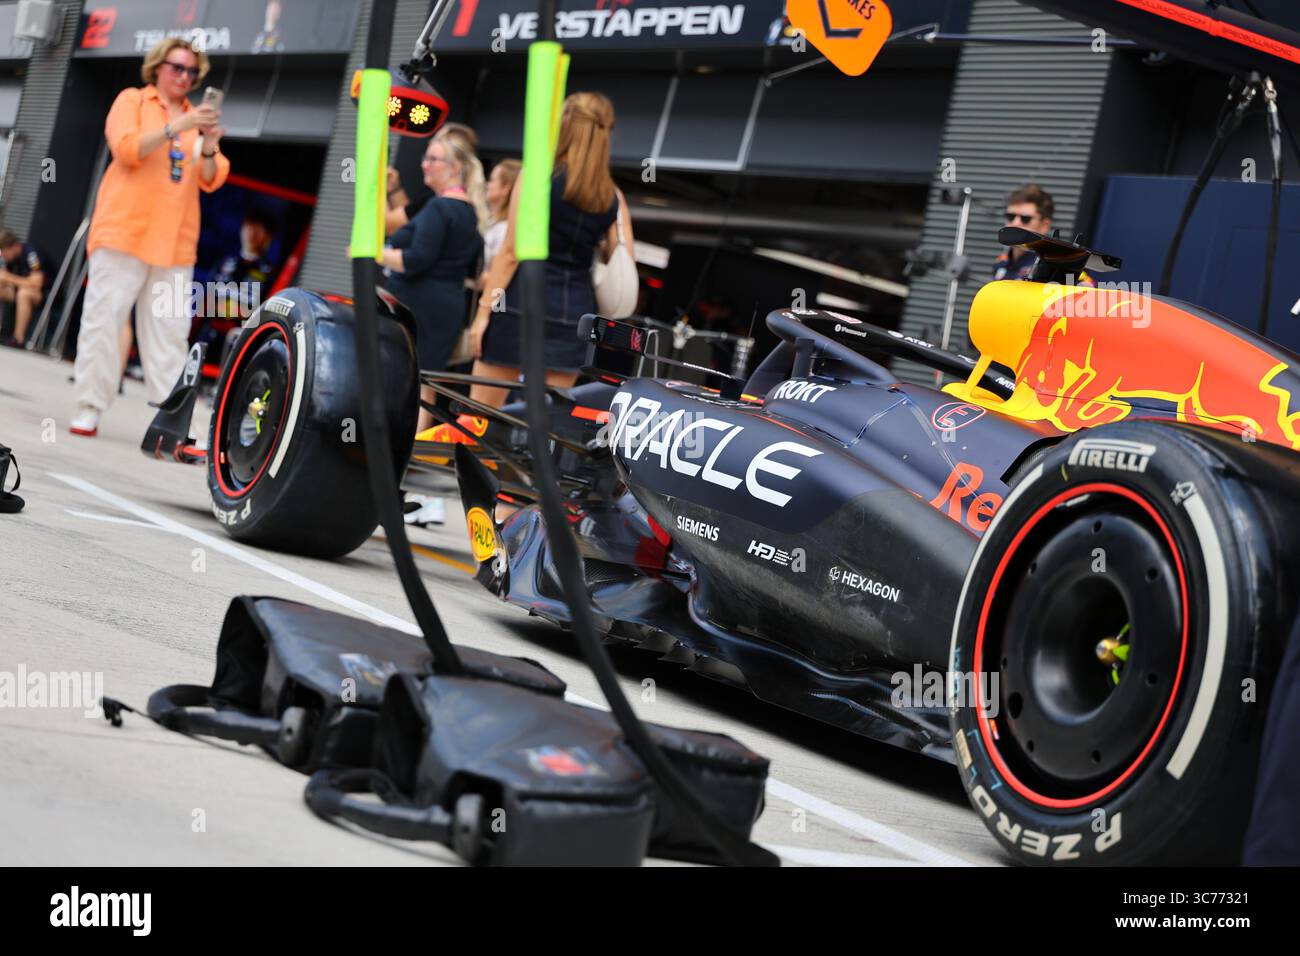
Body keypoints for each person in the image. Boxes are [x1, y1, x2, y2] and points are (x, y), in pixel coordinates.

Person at [69, 37, 229, 437]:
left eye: (192, 71)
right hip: (123, 231)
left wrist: (208, 145)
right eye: (177, 67)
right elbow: (126, 150)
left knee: (171, 335)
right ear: (157, 67)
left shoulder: (198, 118)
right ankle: (89, 407)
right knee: (103, 323)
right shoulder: (133, 102)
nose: (184, 77)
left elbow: (212, 179)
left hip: (175, 243)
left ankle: (171, 420)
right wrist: (177, 127)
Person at [468, 92, 634, 409]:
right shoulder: (612, 196)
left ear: (564, 125)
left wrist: (483, 313)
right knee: (547, 424)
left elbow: (510, 253)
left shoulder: (537, 175)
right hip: (574, 316)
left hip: (518, 304)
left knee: (480, 415)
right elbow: (622, 258)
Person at [386, 123, 479, 236]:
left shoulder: (439, 202)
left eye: (433, 158)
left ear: (455, 165)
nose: (424, 164)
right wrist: (394, 189)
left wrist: (375, 183)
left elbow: (391, 225)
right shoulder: (462, 199)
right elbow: (407, 220)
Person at [994, 183, 1094, 287]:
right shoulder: (1001, 261)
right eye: (1010, 216)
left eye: (1025, 219)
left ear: (1044, 225)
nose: (1015, 223)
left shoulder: (1057, 265)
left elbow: (1089, 291)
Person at [0, 230, 48, 348]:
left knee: (24, 293)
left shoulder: (31, 253)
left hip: (43, 294)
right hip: (19, 291)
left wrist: (8, 277)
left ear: (13, 247)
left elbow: (37, 283)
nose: (4, 257)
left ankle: (18, 339)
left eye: (4, 253)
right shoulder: (11, 260)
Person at [482, 158, 521, 269]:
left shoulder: (504, 230)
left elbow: (495, 271)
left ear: (505, 188)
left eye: (492, 180)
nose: (487, 185)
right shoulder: (492, 222)